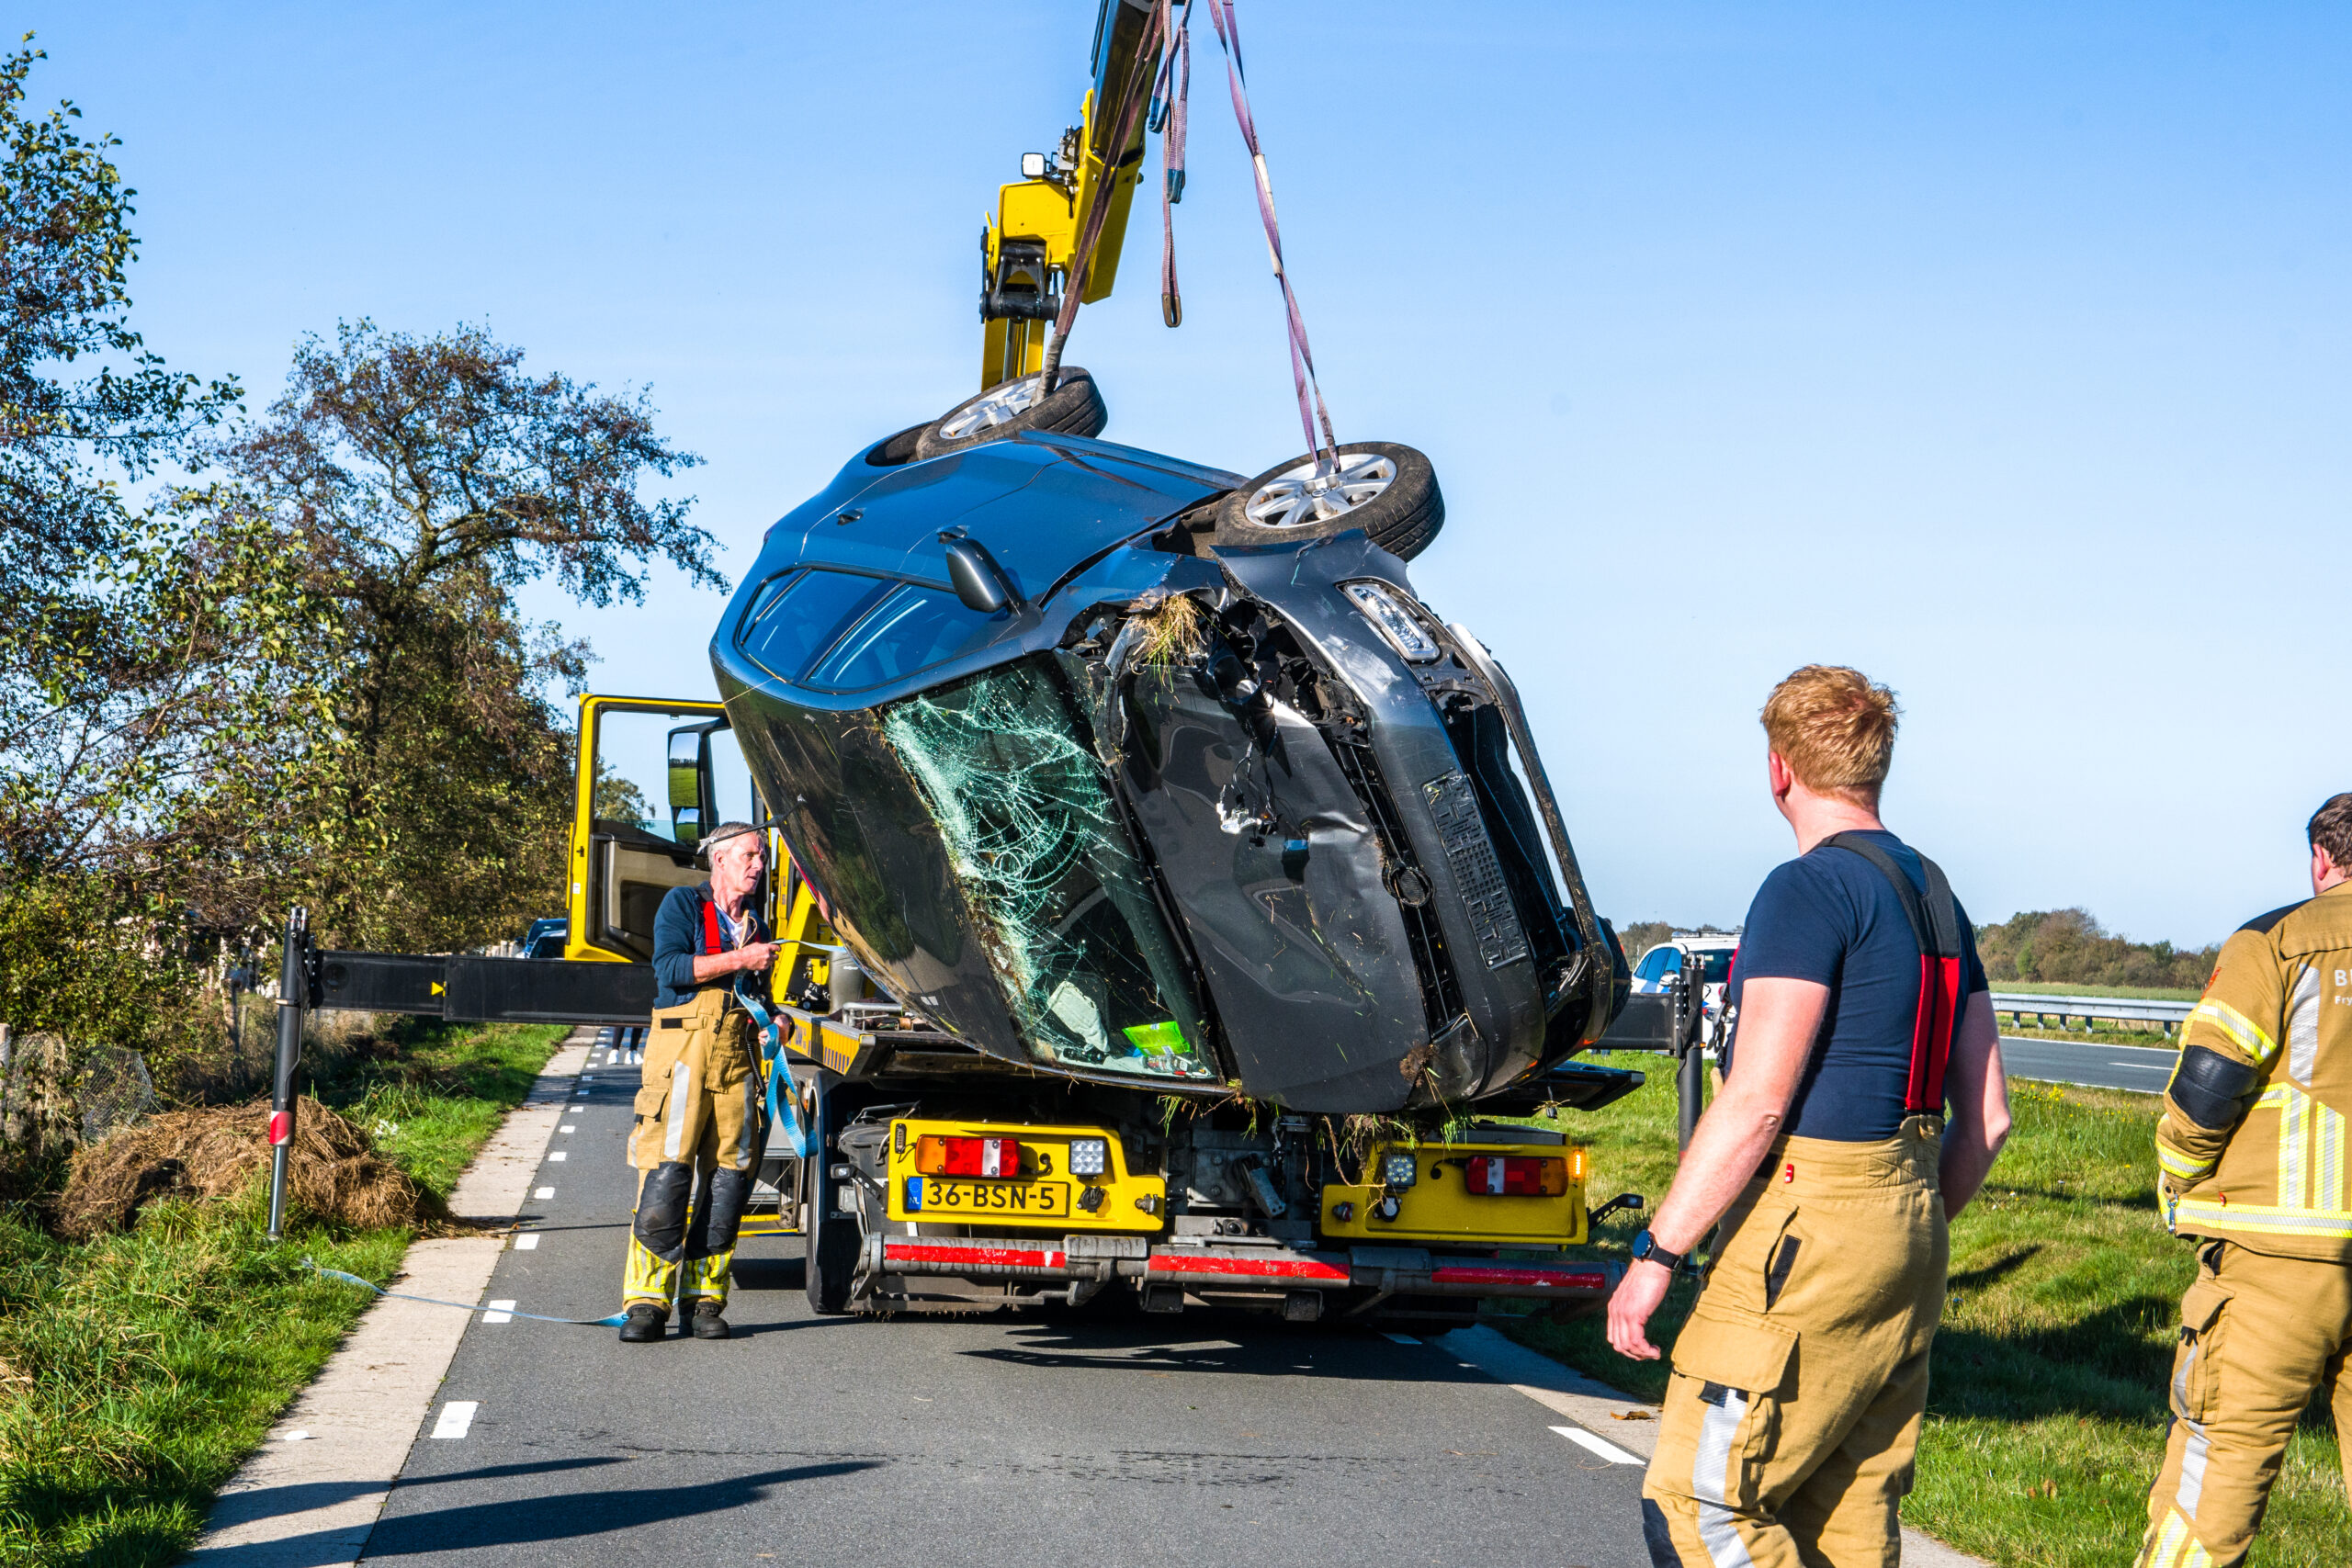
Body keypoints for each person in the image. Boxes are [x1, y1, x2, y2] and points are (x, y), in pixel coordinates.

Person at [1608, 664, 2012, 1568]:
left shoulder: (1806, 891)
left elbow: (1754, 1103)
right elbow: (1985, 1119)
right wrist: (1900, 1226)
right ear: (1876, 765)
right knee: (1848, 1521)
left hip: (1808, 1224)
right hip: (1908, 1229)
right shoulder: (1935, 892)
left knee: (1699, 1504)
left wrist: (1657, 1253)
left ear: (1778, 768)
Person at [2137, 793, 2352, 1568]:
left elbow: (2207, 1084)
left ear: (2321, 861)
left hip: (2274, 1263)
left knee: (2211, 1494)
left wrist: (2179, 1184)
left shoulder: (2277, 941)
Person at [617, 821, 781, 1343]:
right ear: (720, 859)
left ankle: (705, 1300)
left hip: (735, 1064)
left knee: (730, 1182)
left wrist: (777, 1022)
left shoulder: (758, 924)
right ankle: (646, 1304)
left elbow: (761, 998)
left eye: (760, 858)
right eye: (750, 856)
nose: (758, 866)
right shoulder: (683, 906)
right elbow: (669, 969)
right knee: (667, 1178)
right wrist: (741, 959)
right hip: (681, 1061)